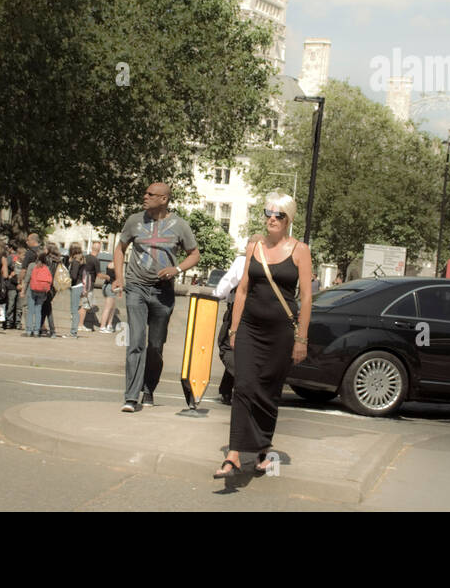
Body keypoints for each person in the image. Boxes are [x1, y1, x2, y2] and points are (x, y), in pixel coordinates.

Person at [215, 191, 312, 480]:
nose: (272, 218)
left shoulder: (300, 250)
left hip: (281, 333)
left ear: (288, 219)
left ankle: (263, 451)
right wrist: (233, 328)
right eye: (268, 213)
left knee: (268, 392)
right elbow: (242, 289)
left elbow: (306, 298)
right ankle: (233, 454)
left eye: (278, 214)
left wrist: (301, 338)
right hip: (249, 328)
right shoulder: (254, 247)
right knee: (243, 385)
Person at [113, 183, 200, 412]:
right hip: (136, 287)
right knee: (136, 341)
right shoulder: (134, 221)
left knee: (155, 346)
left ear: (164, 199)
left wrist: (177, 270)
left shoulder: (179, 226)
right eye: (146, 193)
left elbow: (194, 254)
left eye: (150, 194)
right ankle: (131, 397)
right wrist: (120, 278)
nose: (145, 196)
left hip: (163, 292)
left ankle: (149, 388)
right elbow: (120, 248)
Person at [214, 240, 260, 405]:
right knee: (243, 350)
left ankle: (240, 386)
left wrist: (216, 295)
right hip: (258, 313)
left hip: (238, 311)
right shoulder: (270, 261)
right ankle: (226, 389)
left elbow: (227, 283)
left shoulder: (242, 261)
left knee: (227, 347)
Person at [64, 242, 89, 338]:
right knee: (75, 310)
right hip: (80, 286)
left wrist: (68, 275)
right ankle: (74, 331)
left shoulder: (75, 261)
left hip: (75, 286)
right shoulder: (82, 259)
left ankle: (73, 332)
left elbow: (73, 276)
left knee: (74, 310)